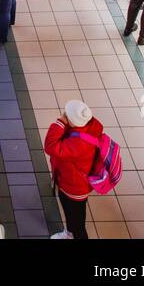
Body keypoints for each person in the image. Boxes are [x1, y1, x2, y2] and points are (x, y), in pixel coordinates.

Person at [44, 100, 106, 240]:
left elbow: (51, 146)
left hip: (74, 188)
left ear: (73, 122)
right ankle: (70, 233)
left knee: (77, 222)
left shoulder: (79, 143)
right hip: (70, 182)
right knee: (71, 213)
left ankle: (73, 234)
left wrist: (59, 123)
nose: (64, 115)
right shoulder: (88, 127)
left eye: (66, 115)